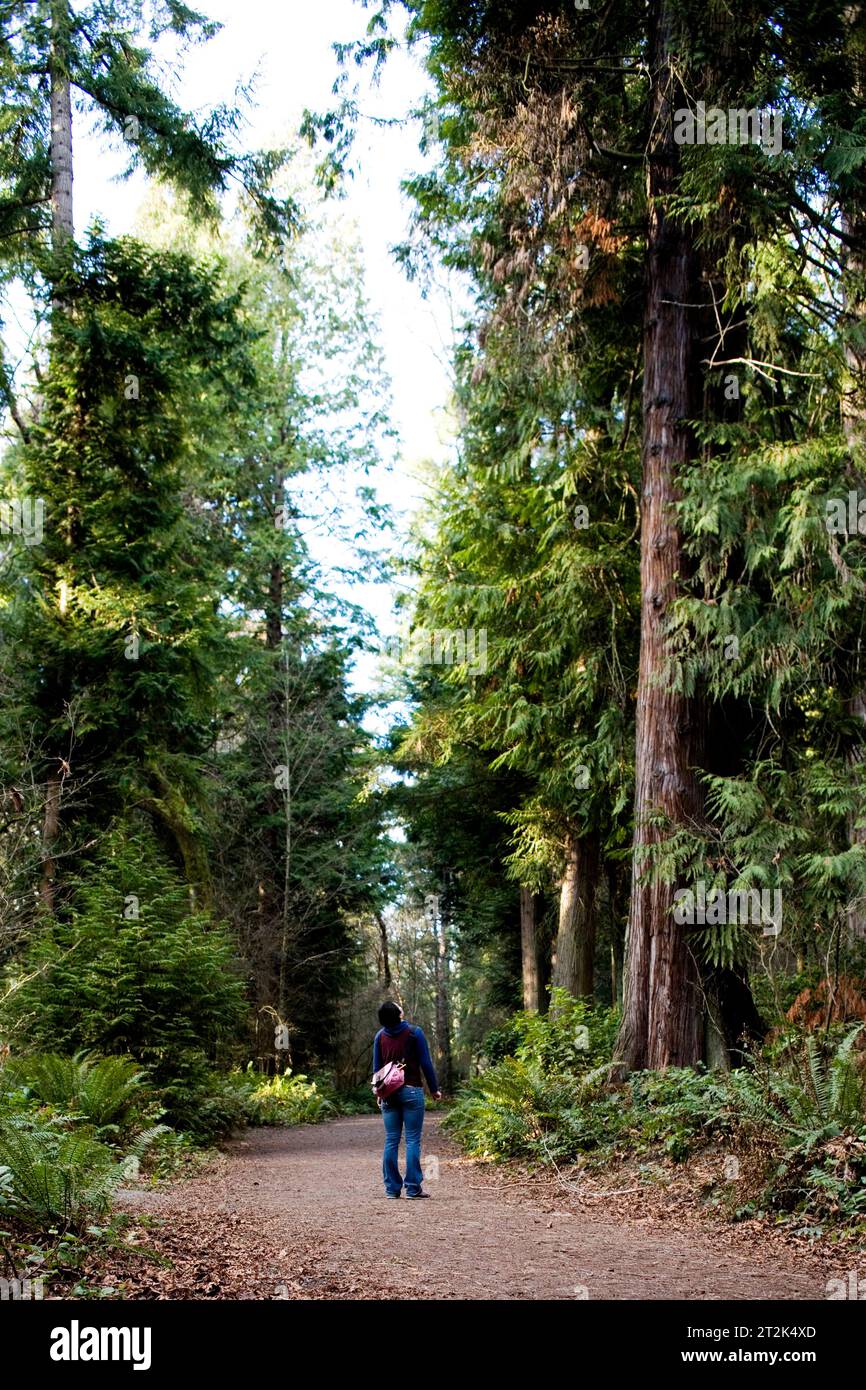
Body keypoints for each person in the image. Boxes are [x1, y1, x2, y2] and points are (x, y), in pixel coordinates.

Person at [373, 1001, 442, 1199]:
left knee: (391, 1139)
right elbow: (426, 1063)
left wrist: (380, 1093)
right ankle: (413, 1188)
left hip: (389, 1094)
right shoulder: (415, 1033)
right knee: (412, 1139)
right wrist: (434, 1089)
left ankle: (392, 1189)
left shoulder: (380, 1036)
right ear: (399, 1014)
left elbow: (377, 1069)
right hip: (412, 1091)